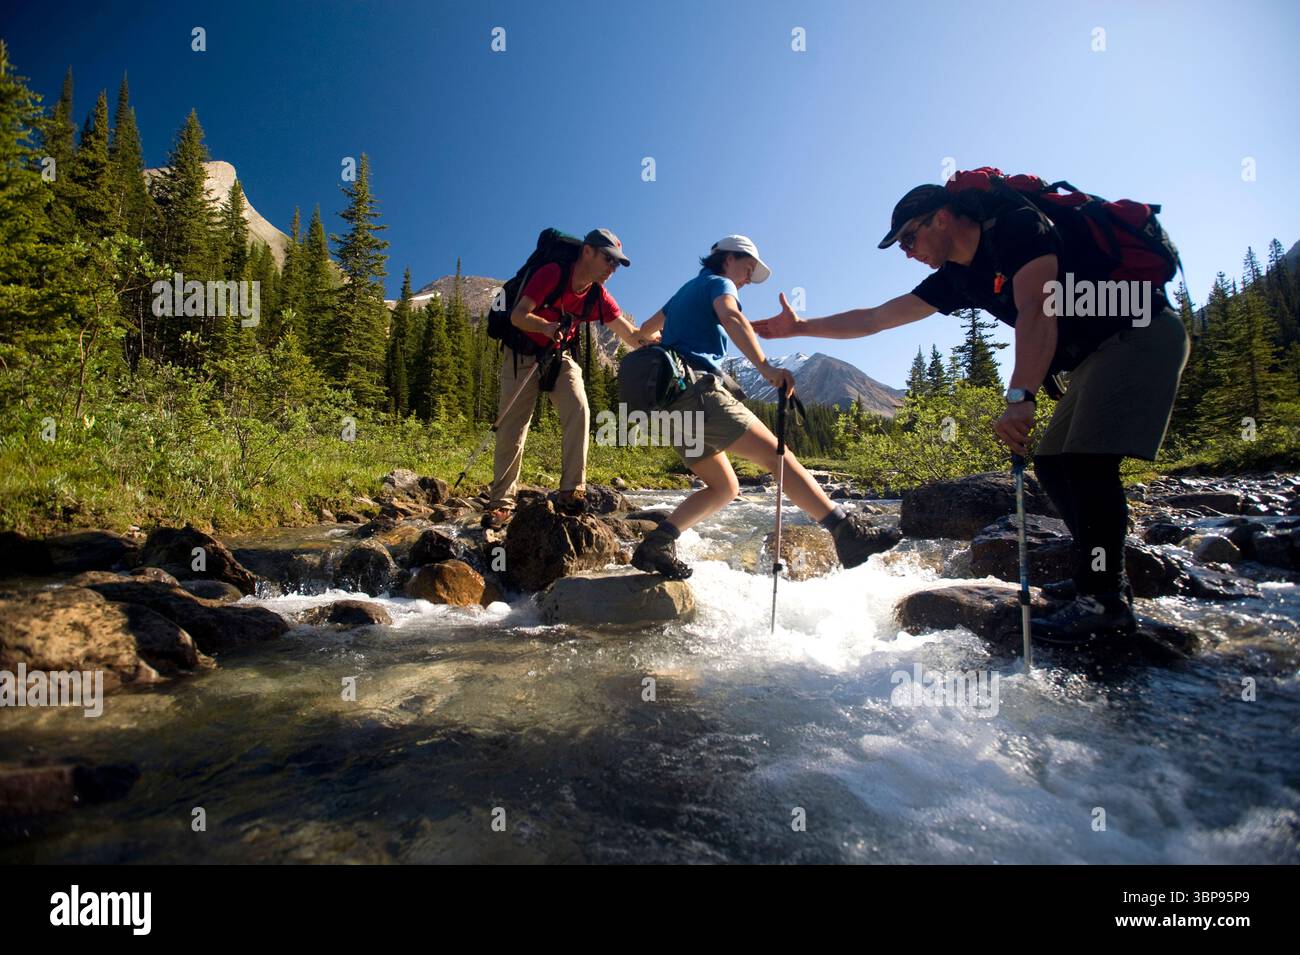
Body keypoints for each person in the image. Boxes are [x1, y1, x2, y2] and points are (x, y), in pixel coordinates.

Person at [752, 183, 1190, 644]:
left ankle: (1104, 603)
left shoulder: (1019, 227)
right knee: (1055, 464)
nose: (906, 252)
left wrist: (1020, 397)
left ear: (941, 218)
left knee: (1085, 463)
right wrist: (801, 327)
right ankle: (1093, 585)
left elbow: (1038, 309)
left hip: (1139, 333)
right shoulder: (960, 275)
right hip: (1095, 356)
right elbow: (875, 318)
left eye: (908, 238)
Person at [628, 236, 883, 579]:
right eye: (747, 269)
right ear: (728, 259)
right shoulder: (719, 283)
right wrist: (765, 367)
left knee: (725, 487)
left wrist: (667, 342)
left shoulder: (683, 292)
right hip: (699, 394)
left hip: (671, 409)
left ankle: (657, 543)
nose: (747, 279)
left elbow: (643, 331)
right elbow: (732, 317)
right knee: (777, 456)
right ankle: (845, 532)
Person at [483, 229, 651, 529]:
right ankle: (501, 504)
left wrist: (652, 340)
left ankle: (571, 491)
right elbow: (518, 316)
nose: (612, 268)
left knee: (579, 407)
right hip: (521, 354)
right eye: (608, 259)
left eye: (617, 264)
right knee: (513, 426)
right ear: (587, 252)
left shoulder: (598, 296)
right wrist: (546, 327)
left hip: (560, 356)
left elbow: (629, 334)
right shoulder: (552, 273)